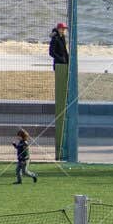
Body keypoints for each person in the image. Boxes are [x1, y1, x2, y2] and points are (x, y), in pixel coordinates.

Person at [49, 22, 70, 162]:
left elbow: (64, 51)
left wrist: (68, 60)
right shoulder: (55, 39)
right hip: (59, 64)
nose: (64, 31)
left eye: (65, 29)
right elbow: (52, 52)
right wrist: (61, 59)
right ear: (58, 29)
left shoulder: (62, 38)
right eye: (63, 29)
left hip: (64, 64)